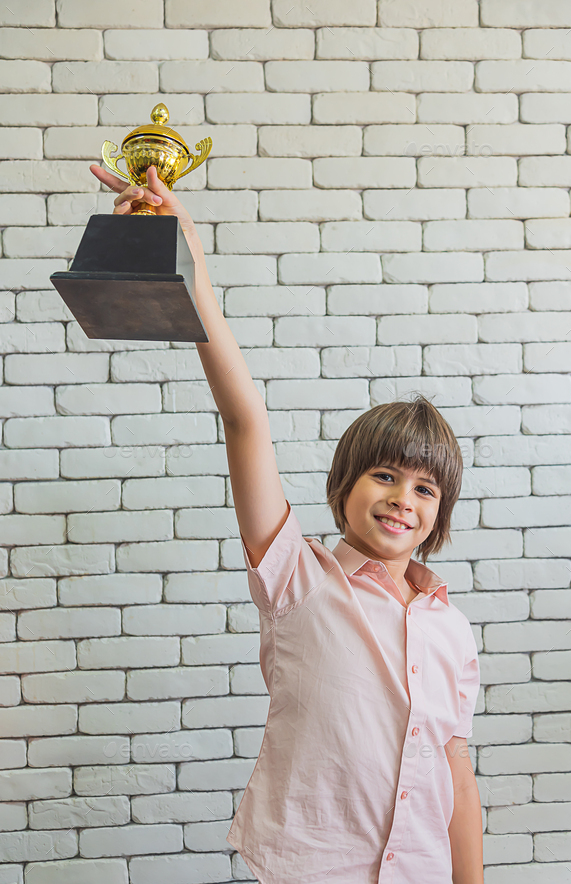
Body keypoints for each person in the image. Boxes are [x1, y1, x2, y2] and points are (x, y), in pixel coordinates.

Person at [89, 163, 484, 884]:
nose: (404, 499)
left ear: (440, 514)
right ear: (345, 486)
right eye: (386, 476)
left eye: (426, 488)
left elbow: (454, 768)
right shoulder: (296, 575)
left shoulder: (450, 628)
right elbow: (246, 420)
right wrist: (191, 265)